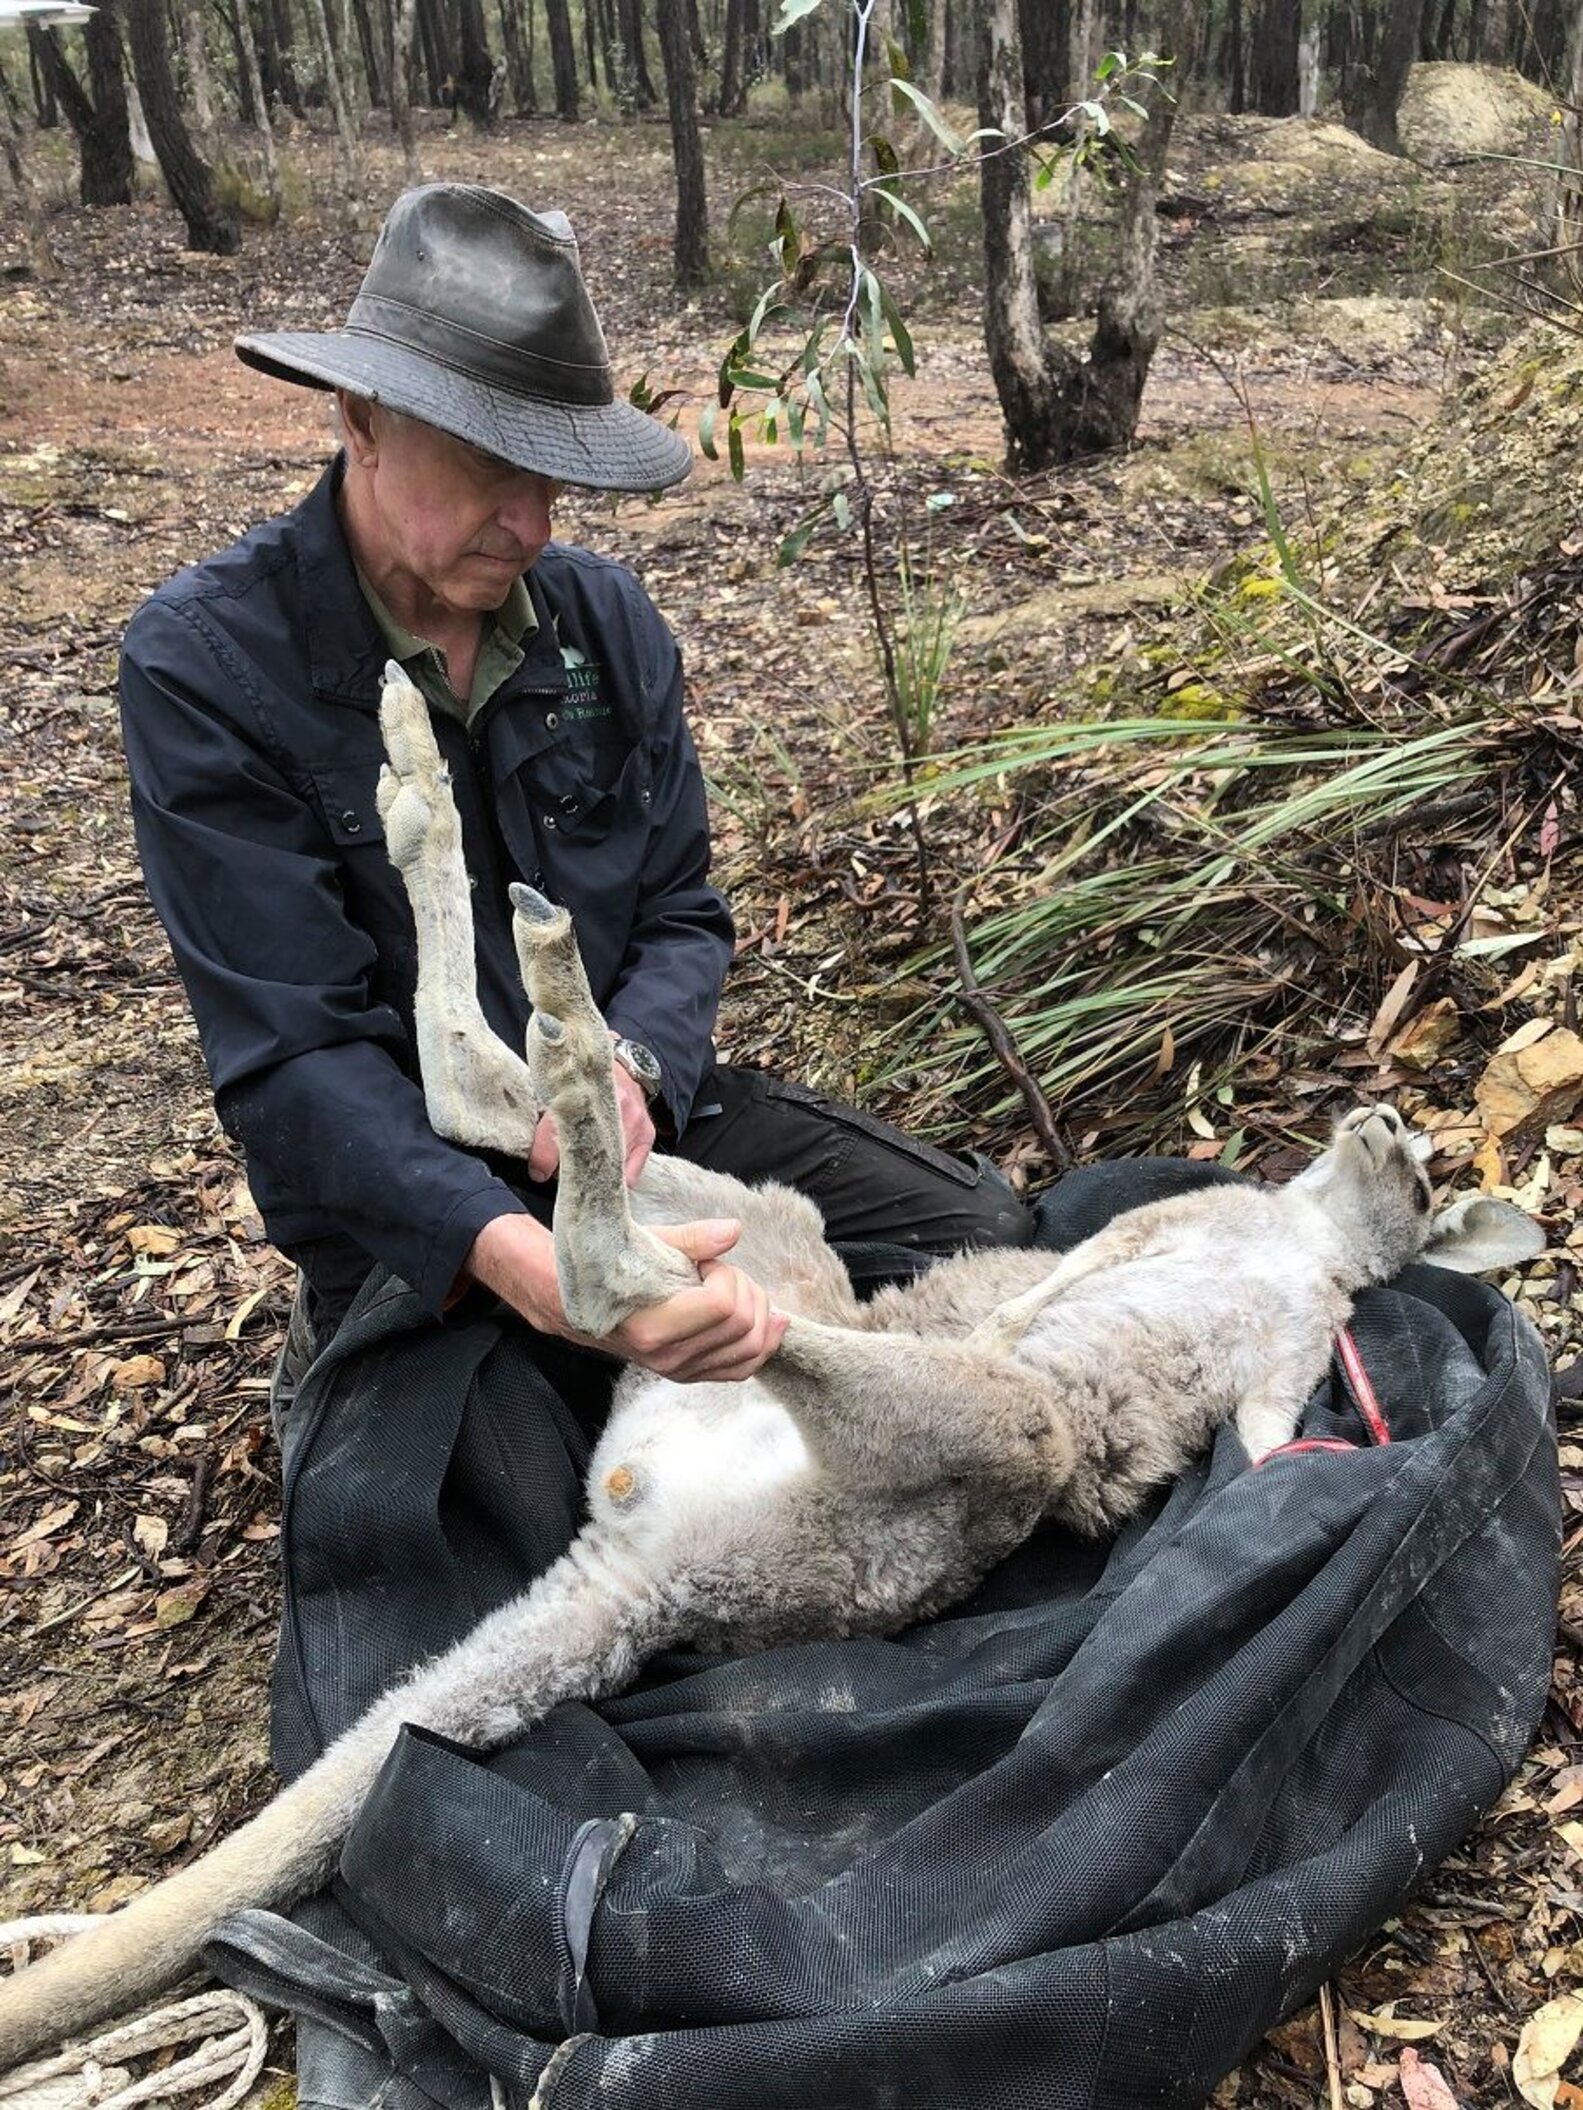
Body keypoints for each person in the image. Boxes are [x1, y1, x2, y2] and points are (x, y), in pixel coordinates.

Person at [119, 182, 1034, 1404]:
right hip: (416, 1202)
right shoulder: (212, 664)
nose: (533, 526)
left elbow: (678, 910)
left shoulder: (602, 622)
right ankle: (354, 1368)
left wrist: (631, 1074)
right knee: (499, 1473)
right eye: (493, 466)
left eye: (554, 477)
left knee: (980, 1239)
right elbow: (292, 1050)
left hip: (634, 1140)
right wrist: (528, 1266)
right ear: (362, 418)